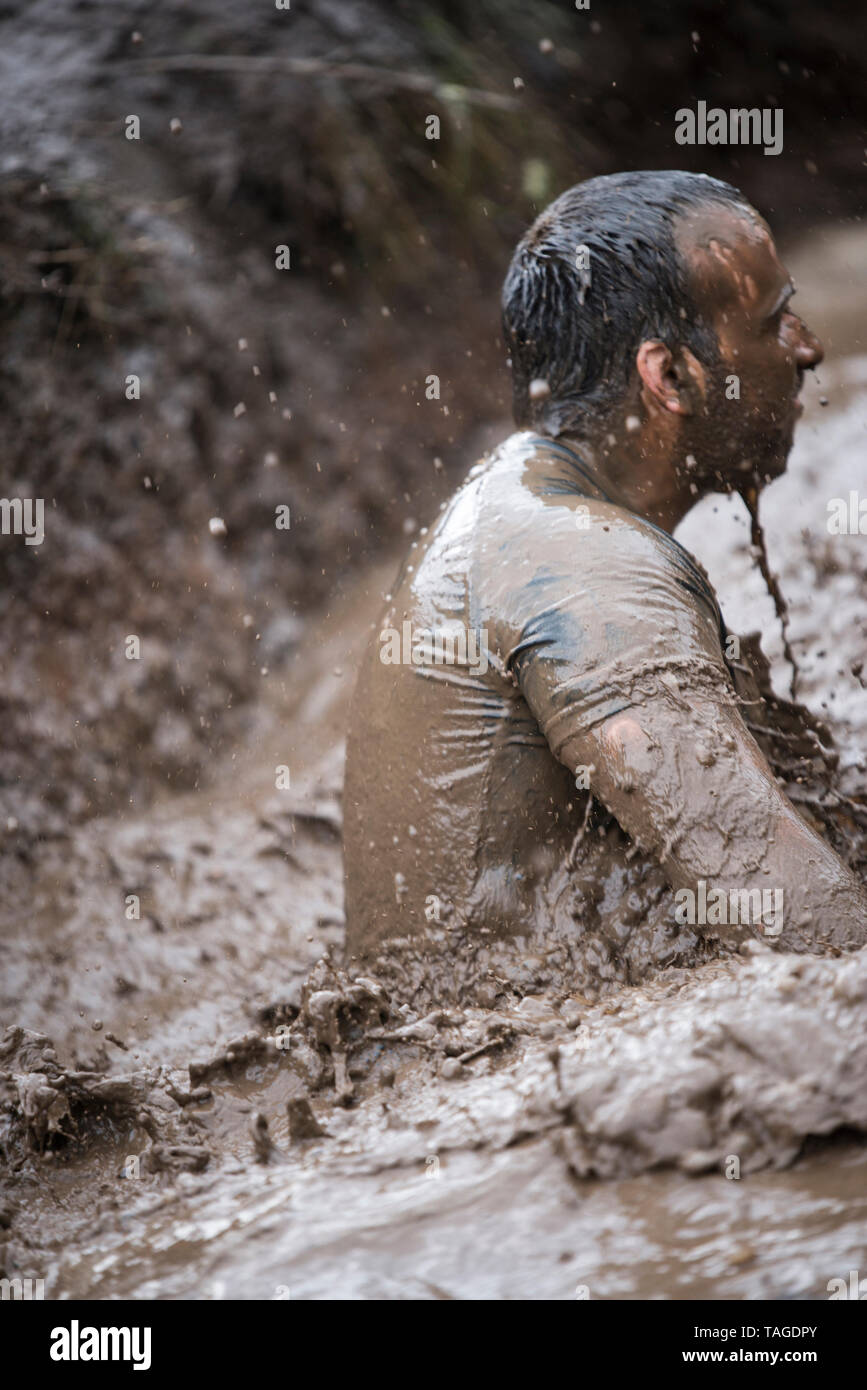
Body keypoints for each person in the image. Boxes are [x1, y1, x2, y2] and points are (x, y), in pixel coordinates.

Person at [343, 171, 867, 996]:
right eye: (773, 322)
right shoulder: (589, 571)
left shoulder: (522, 505)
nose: (806, 349)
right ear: (670, 377)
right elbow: (803, 929)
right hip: (512, 1047)